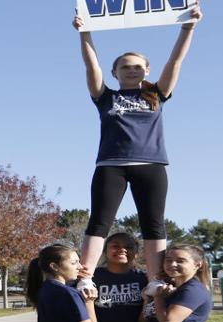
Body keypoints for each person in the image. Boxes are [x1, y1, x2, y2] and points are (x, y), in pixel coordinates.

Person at [72, 2, 203, 296]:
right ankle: (85, 277)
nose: (131, 70)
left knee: (153, 223)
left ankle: (156, 278)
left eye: (137, 66)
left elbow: (175, 62)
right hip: (111, 164)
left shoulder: (155, 94)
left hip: (152, 165)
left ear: (146, 71)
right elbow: (90, 65)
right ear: (116, 72)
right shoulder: (105, 97)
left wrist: (187, 28)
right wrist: (85, 33)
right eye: (125, 66)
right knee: (99, 221)